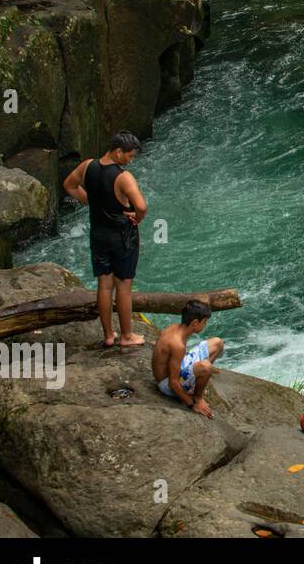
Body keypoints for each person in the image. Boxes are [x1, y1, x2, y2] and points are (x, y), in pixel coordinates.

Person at [62, 132, 147, 347]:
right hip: (122, 237)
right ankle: (127, 336)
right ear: (118, 152)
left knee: (104, 285)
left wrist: (89, 201)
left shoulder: (87, 166)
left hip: (98, 234)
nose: (131, 160)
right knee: (124, 286)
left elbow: (69, 185)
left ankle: (109, 335)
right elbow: (142, 206)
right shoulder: (123, 177)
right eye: (129, 155)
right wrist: (137, 218)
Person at [151, 300, 224, 419]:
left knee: (217, 343)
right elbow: (173, 382)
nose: (205, 325)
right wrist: (191, 404)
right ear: (195, 322)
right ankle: (198, 397)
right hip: (167, 385)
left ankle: (195, 383)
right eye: (204, 322)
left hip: (174, 370)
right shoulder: (178, 345)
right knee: (206, 367)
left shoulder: (174, 327)